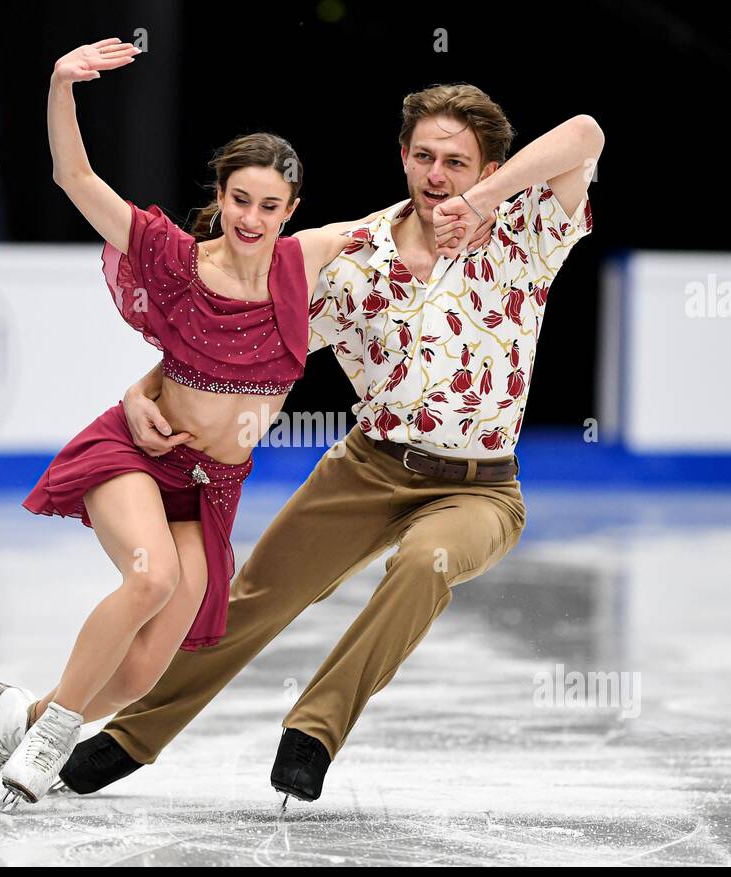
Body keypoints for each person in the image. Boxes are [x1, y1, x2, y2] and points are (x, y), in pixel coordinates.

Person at [59, 83, 603, 803]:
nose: (438, 174)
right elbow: (235, 348)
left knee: (422, 564)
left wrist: (484, 201)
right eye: (424, 156)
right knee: (251, 599)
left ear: (488, 168)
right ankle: (133, 735)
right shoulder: (352, 259)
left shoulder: (523, 232)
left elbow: (586, 133)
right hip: (366, 469)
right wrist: (144, 390)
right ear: (403, 158)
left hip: (479, 487)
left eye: (457, 162)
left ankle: (314, 730)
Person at [0, 39, 429, 809]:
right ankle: (51, 737)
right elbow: (75, 178)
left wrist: (482, 189)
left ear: (292, 211)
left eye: (271, 206)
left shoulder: (306, 261)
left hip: (213, 489)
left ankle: (14, 713)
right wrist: (60, 86)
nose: (253, 217)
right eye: (241, 199)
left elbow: (406, 214)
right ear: (221, 193)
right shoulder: (173, 260)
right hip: (138, 459)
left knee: (143, 674)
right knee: (152, 579)